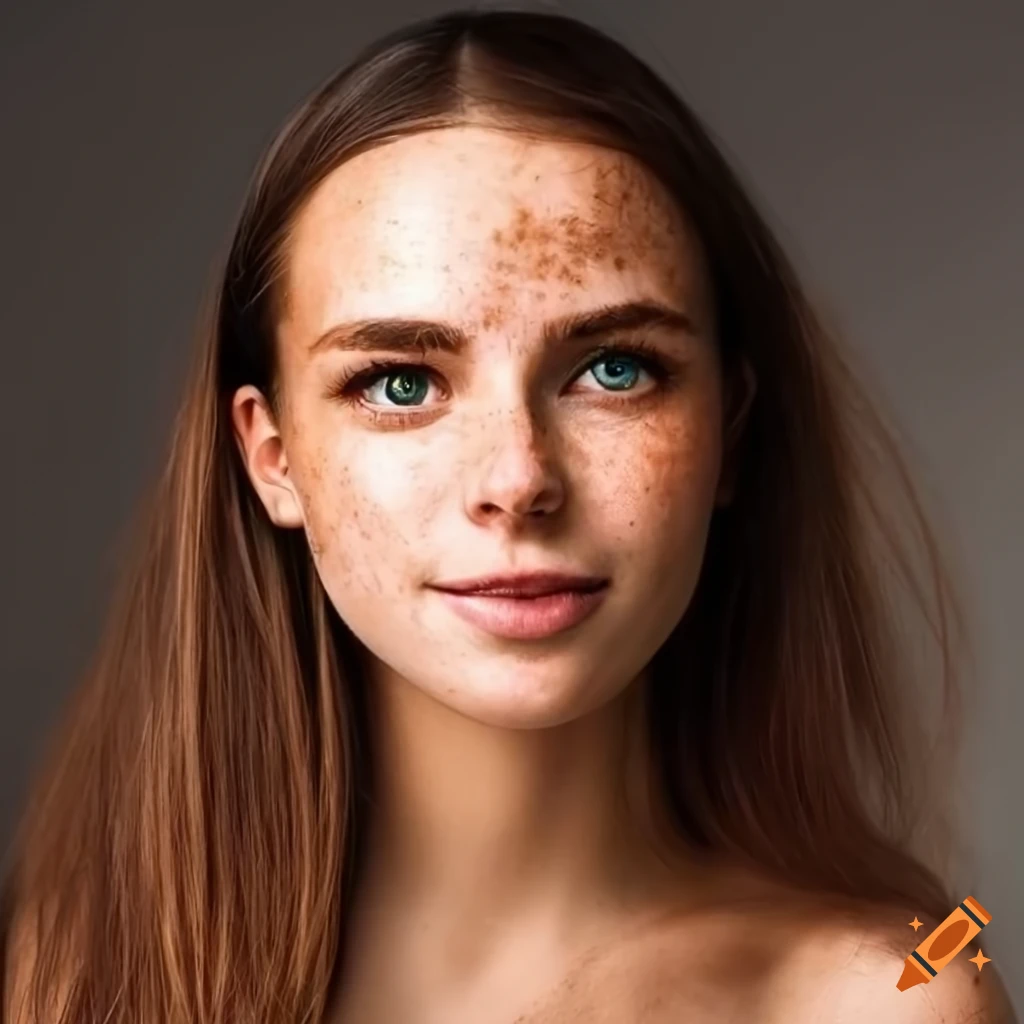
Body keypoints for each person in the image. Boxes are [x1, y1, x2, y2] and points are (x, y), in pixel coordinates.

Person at [1, 7, 1016, 1023]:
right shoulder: (76, 972)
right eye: (400, 383)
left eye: (613, 370)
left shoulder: (893, 998)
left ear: (730, 432)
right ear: (273, 457)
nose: (518, 477)